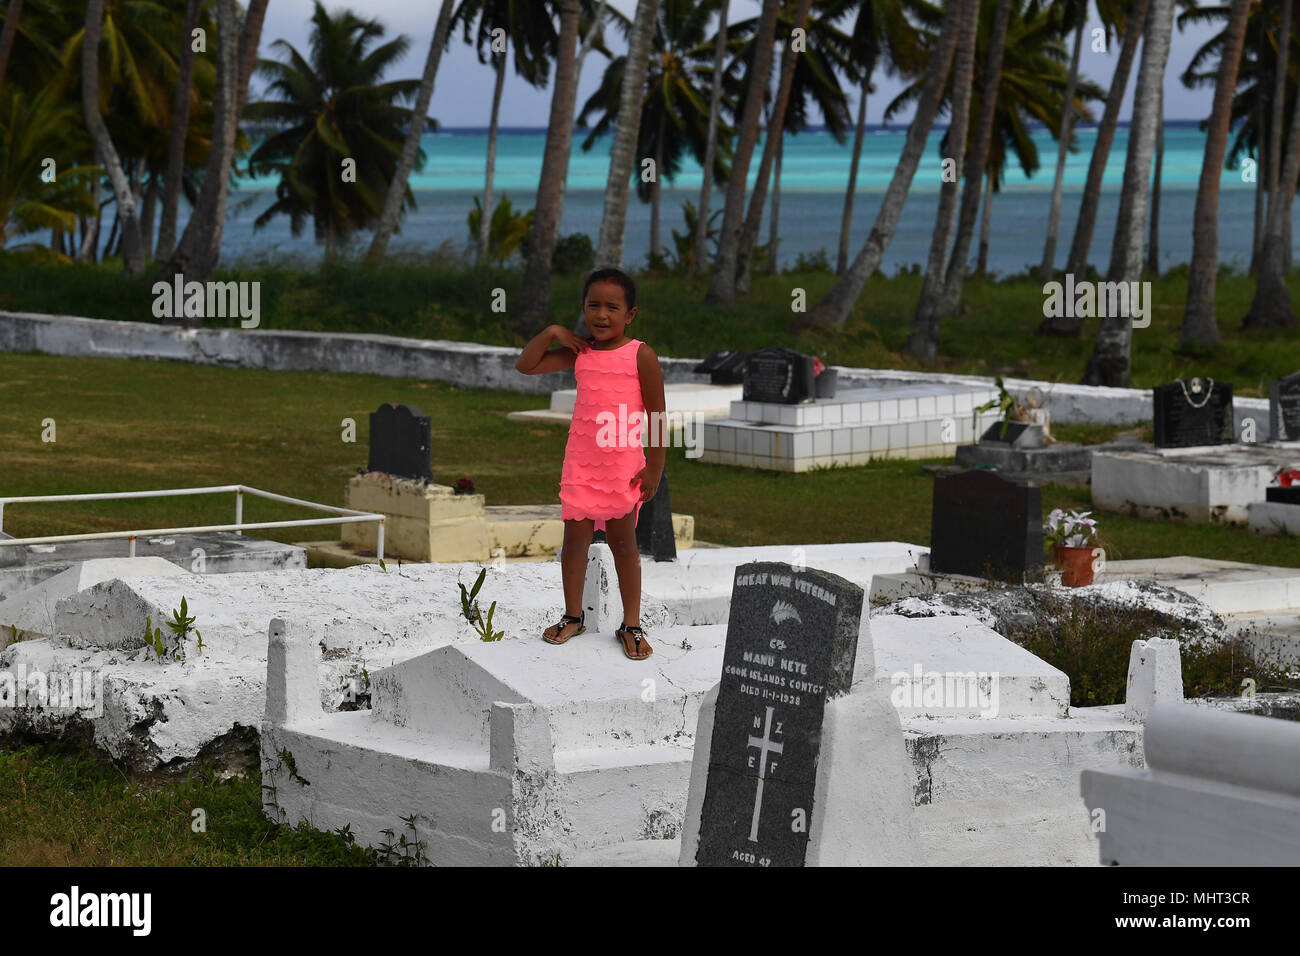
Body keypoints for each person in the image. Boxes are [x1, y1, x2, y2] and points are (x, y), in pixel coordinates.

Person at [514, 268, 666, 659]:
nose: (601, 315)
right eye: (593, 305)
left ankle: (631, 624)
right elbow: (526, 365)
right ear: (583, 308)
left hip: (622, 467)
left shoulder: (640, 354)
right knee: (573, 545)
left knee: (625, 547)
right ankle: (573, 616)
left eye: (612, 307)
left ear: (630, 314)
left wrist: (654, 468)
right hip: (581, 463)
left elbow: (658, 415)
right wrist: (552, 332)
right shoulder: (579, 352)